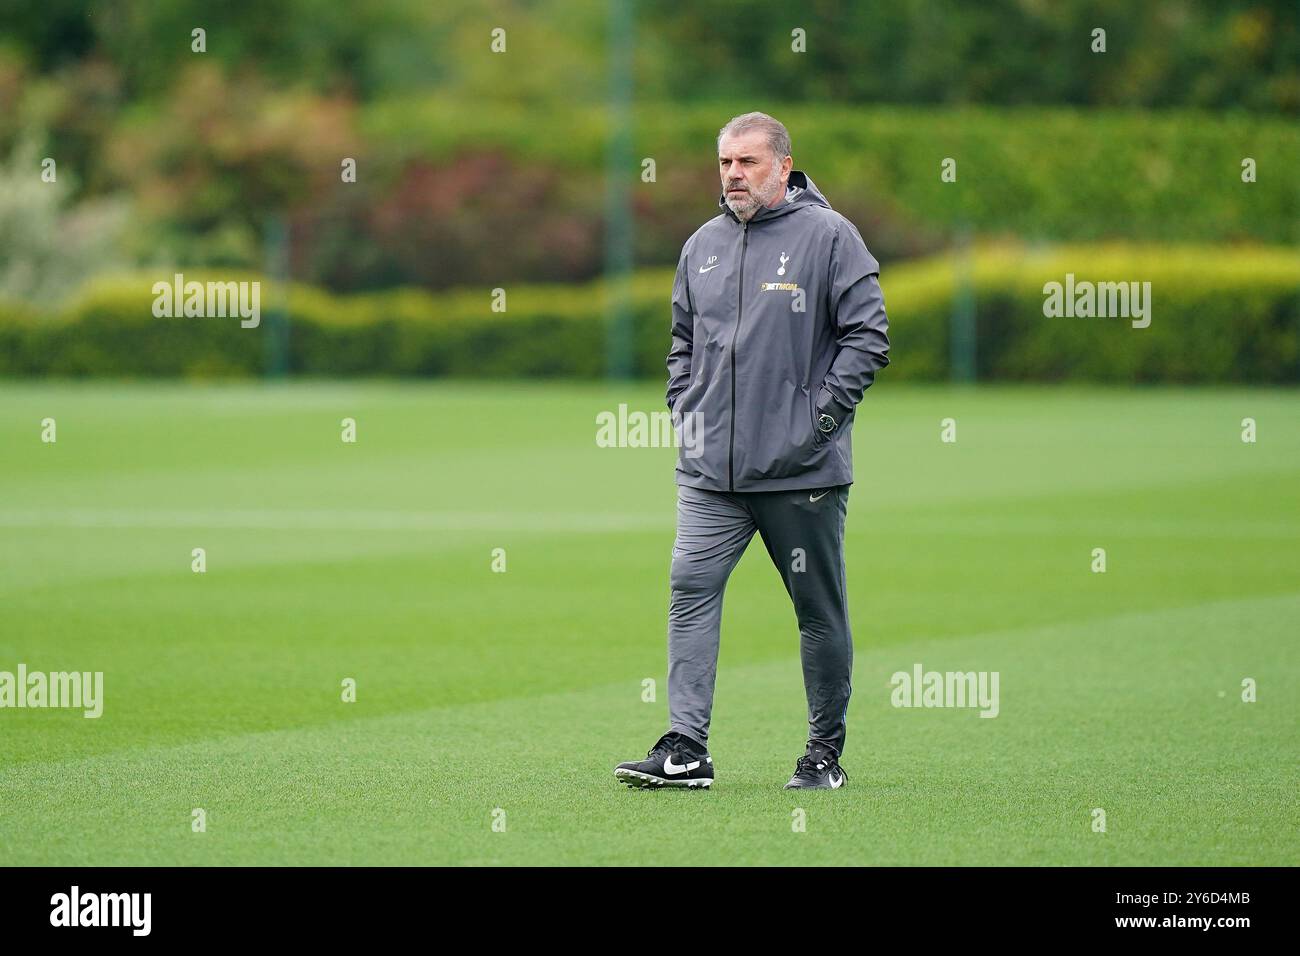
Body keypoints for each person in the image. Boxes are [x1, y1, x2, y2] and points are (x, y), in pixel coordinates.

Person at [614, 111, 891, 791]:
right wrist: (686, 409)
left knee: (817, 611)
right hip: (712, 475)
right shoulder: (701, 245)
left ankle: (823, 753)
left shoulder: (830, 237)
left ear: (783, 167)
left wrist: (817, 425)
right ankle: (685, 747)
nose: (734, 174)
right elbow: (682, 342)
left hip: (801, 476)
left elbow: (869, 337)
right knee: (689, 589)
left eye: (749, 162)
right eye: (726, 163)